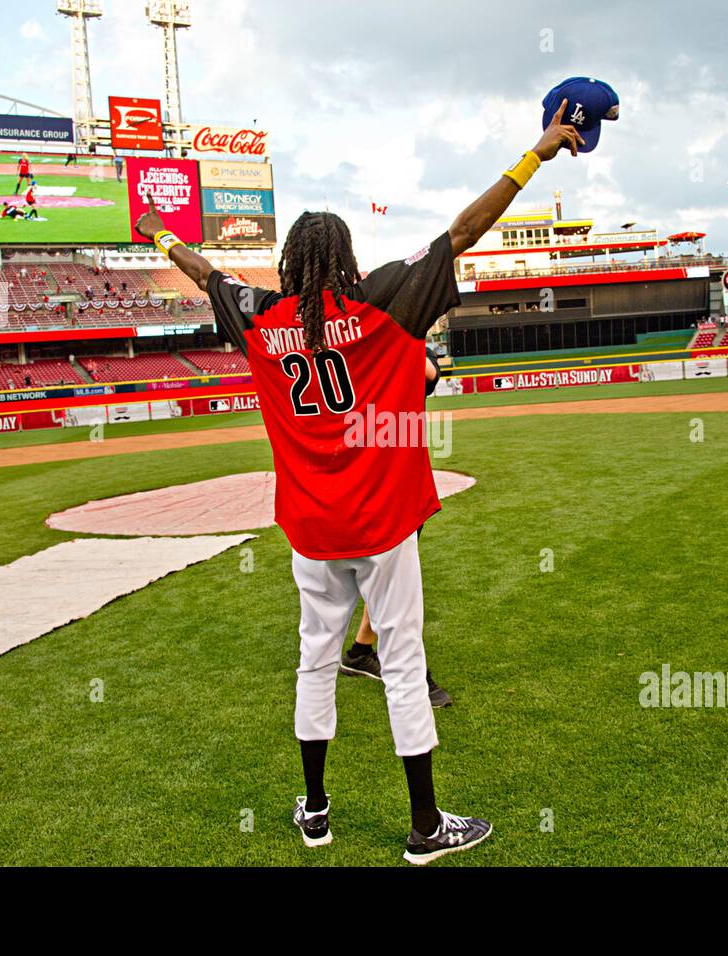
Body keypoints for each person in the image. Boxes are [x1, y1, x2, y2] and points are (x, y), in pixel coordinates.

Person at [133, 99, 581, 864]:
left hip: (310, 529)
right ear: (343, 256)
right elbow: (464, 233)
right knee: (402, 664)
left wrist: (164, 234)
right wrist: (534, 155)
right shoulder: (382, 298)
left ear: (289, 261)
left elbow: (210, 275)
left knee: (314, 661)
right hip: (381, 522)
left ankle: (314, 811)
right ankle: (424, 825)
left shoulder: (262, 316)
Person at [340, 345, 452, 708]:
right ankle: (412, 671)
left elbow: (431, 374)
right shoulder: (347, 338)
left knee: (390, 578)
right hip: (367, 477)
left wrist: (395, 334)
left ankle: (360, 651)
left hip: (399, 476)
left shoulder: (395, 333)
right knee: (396, 583)